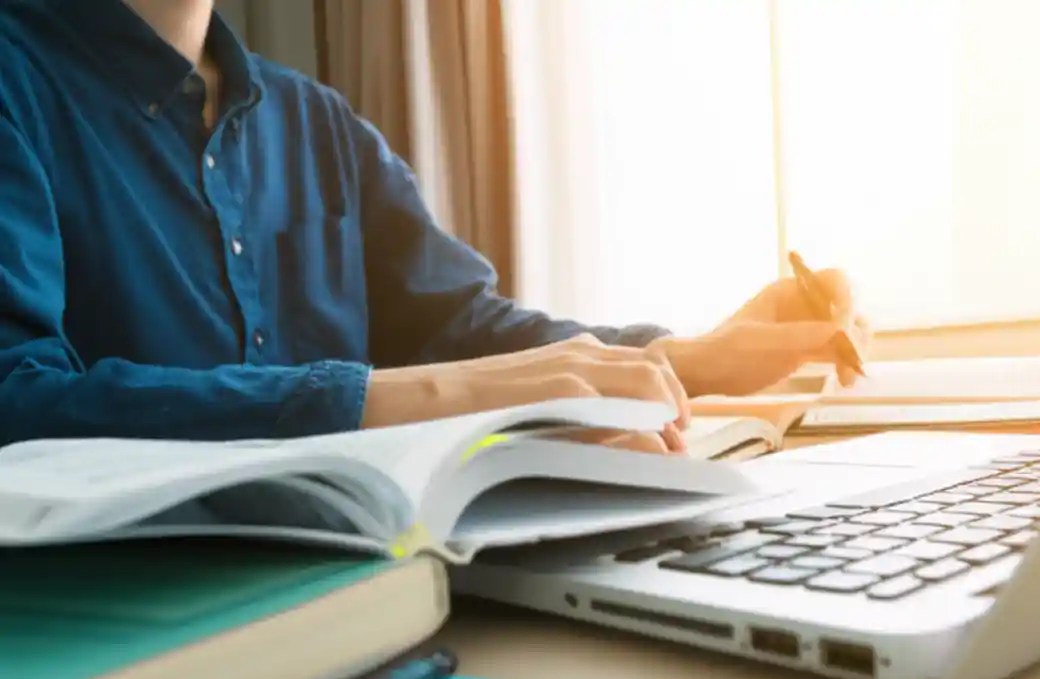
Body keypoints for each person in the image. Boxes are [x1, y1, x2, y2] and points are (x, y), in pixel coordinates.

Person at [0, 0, 867, 457]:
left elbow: (462, 325)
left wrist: (689, 355)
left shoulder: (318, 122)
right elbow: (17, 400)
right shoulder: (17, 80)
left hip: (384, 585)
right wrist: (427, 395)